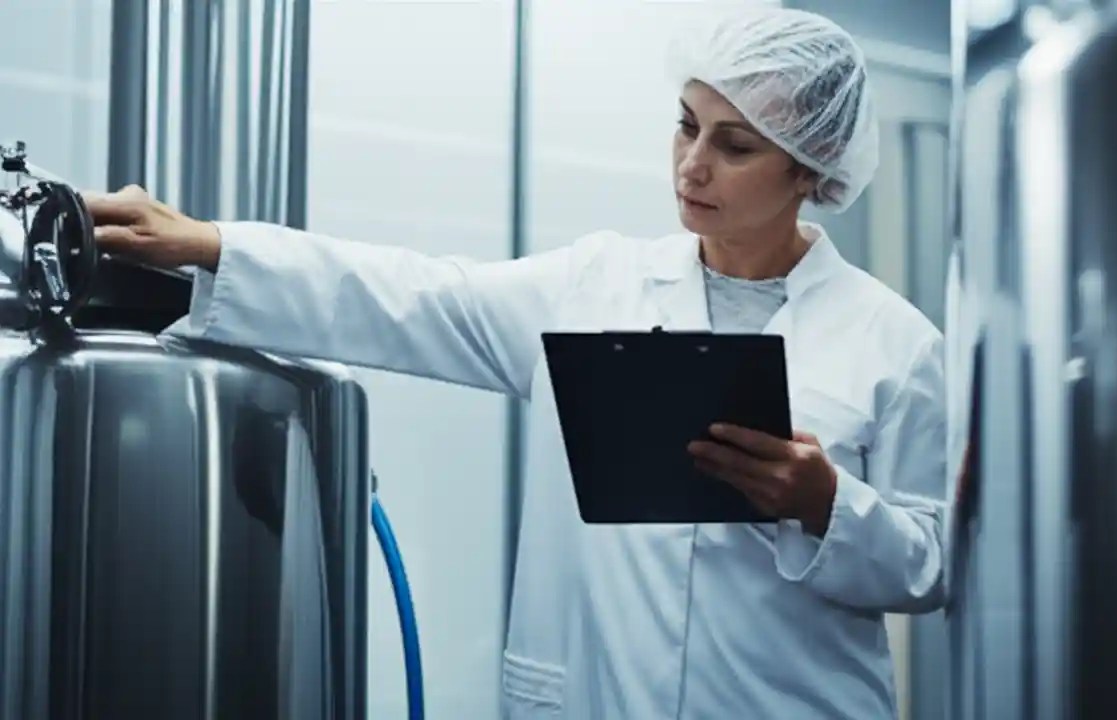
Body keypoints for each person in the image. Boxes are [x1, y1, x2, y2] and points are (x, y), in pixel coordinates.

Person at [87, 8, 946, 719]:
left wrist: (826, 505)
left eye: (735, 145)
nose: (692, 163)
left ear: (808, 168)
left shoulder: (890, 343)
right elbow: (411, 295)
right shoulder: (595, 286)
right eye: (686, 125)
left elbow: (932, 564)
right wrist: (211, 246)